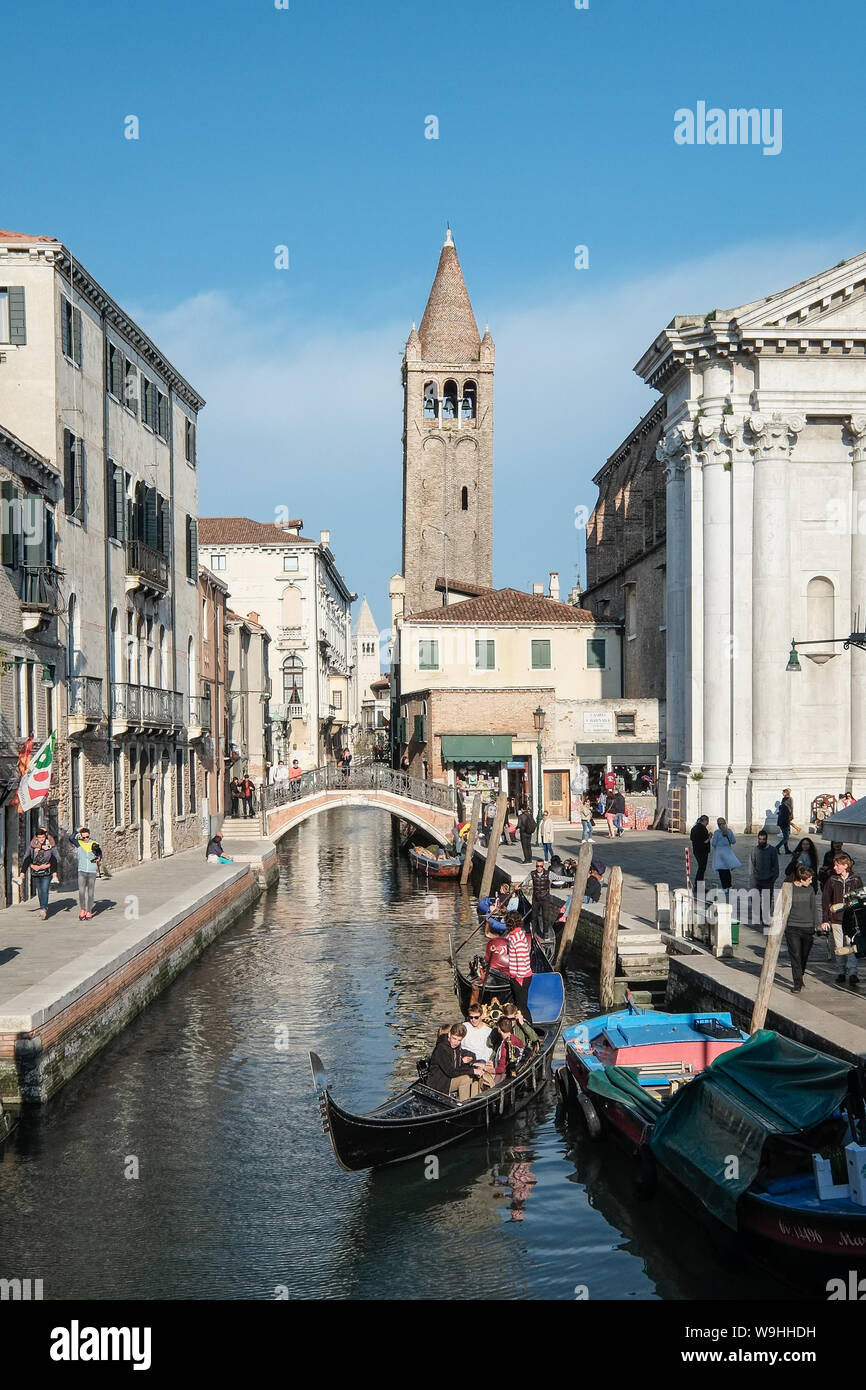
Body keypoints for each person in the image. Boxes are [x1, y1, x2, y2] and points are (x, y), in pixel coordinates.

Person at [822, 852, 864, 987]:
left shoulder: (856, 880)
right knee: (839, 947)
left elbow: (862, 899)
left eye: (837, 865)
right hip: (836, 919)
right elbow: (825, 900)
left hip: (852, 920)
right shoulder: (832, 880)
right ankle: (841, 971)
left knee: (852, 946)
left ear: (845, 865)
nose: (835, 868)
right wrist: (825, 919)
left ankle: (852, 973)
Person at [426, 1023, 485, 1102]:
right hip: (439, 1083)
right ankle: (463, 1103)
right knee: (466, 1079)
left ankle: (474, 1101)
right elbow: (451, 1071)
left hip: (448, 1079)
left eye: (459, 1040)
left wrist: (473, 1066)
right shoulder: (441, 1049)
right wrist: (472, 1070)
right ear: (449, 1034)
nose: (456, 1042)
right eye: (454, 1038)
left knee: (473, 1077)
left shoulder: (456, 1047)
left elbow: (458, 1066)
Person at [785, 863, 820, 993]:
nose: (811, 881)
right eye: (809, 879)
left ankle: (801, 975)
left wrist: (816, 924)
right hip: (792, 927)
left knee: (804, 956)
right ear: (801, 879)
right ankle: (797, 983)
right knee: (795, 955)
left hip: (808, 927)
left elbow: (814, 907)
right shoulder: (789, 888)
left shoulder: (810, 889)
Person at [19, 826, 59, 920]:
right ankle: (42, 908)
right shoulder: (32, 846)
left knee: (44, 890)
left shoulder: (50, 845)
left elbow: (56, 858)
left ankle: (43, 909)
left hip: (46, 872)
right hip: (36, 872)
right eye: (39, 837)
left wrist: (45, 866)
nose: (41, 839)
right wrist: (31, 866)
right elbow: (27, 857)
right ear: (36, 837)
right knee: (40, 892)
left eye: (43, 837)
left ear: (45, 836)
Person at [68, 826, 102, 921]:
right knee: (81, 892)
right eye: (83, 837)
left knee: (90, 893)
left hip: (91, 871)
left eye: (87, 837)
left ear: (89, 835)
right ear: (81, 837)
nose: (85, 839)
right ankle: (83, 910)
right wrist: (77, 830)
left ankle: (89, 911)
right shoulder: (79, 843)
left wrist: (99, 858)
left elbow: (100, 853)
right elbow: (71, 838)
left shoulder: (94, 844)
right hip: (82, 871)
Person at [505, 911, 534, 1021]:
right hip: (516, 976)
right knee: (516, 1005)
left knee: (522, 1008)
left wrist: (519, 979)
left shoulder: (518, 939)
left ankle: (530, 1031)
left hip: (521, 977)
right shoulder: (513, 936)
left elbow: (521, 961)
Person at [749, 830, 780, 925]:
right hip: (756, 879)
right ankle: (758, 916)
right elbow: (751, 865)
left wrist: (773, 879)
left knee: (767, 900)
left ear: (766, 839)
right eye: (760, 839)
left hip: (768, 879)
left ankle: (766, 918)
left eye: (763, 839)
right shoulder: (754, 850)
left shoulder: (772, 850)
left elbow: (776, 866)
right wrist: (752, 878)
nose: (761, 841)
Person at [489, 1014, 526, 1083]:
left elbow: (502, 1069)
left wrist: (490, 1070)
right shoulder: (516, 1040)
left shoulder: (506, 1044)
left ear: (499, 1028)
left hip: (503, 1077)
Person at [711, 818, 740, 901]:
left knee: (721, 871)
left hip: (719, 854)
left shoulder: (716, 833)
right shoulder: (729, 831)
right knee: (727, 870)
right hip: (727, 852)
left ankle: (725, 887)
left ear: (718, 824)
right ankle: (729, 886)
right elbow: (733, 841)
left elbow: (714, 843)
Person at [481, 920, 513, 998]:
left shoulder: (515, 938)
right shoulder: (502, 938)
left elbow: (487, 934)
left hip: (511, 972)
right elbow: (487, 933)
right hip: (501, 970)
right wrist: (488, 922)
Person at [526, 858, 551, 937]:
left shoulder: (549, 874)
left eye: (540, 866)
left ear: (543, 866)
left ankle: (545, 933)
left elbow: (560, 878)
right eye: (537, 866)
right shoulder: (532, 873)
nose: (539, 868)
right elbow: (525, 881)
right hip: (536, 898)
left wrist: (573, 879)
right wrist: (519, 886)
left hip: (545, 898)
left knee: (545, 917)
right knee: (534, 917)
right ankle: (533, 932)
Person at [690, 815, 711, 889]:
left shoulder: (694, 828)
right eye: (707, 821)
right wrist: (710, 837)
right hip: (703, 851)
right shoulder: (703, 829)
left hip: (696, 850)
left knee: (700, 868)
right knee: (702, 868)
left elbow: (692, 839)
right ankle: (699, 886)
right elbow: (705, 841)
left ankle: (697, 885)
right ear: (705, 821)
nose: (707, 823)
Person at [775, 788, 795, 855]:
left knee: (785, 836)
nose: (782, 793)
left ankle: (786, 850)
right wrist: (791, 817)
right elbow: (790, 809)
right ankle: (777, 847)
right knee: (786, 837)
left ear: (786, 792)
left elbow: (789, 809)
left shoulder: (785, 800)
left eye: (783, 792)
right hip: (784, 821)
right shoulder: (787, 800)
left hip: (782, 820)